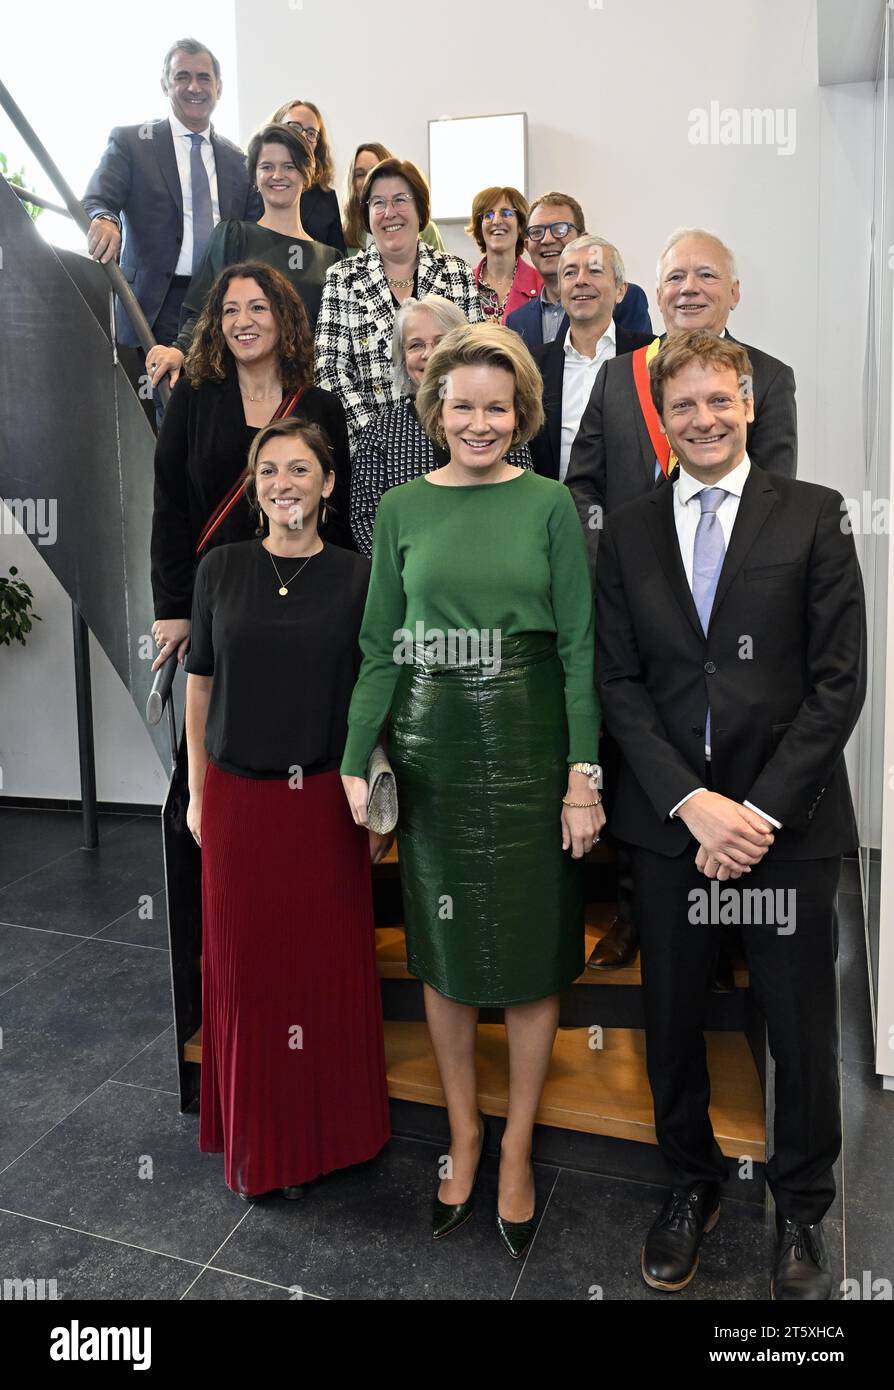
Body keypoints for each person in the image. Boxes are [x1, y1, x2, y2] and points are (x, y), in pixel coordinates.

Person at [595, 330, 865, 1299]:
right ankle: (690, 1185)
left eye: (721, 400)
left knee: (801, 1030)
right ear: (661, 421)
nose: (704, 419)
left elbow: (840, 686)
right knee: (671, 1024)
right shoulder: (626, 530)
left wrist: (753, 811)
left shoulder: (816, 515)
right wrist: (694, 803)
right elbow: (619, 683)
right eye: (684, 406)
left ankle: (801, 1209)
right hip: (671, 825)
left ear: (749, 403)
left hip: (785, 828)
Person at [340, 322, 604, 1259]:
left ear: (521, 412)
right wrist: (352, 757)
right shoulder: (404, 508)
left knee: (533, 953)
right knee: (443, 954)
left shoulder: (549, 506)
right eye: (464, 405)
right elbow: (379, 647)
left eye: (498, 406)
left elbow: (579, 648)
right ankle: (463, 1132)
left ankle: (520, 1146)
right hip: (431, 747)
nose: (480, 421)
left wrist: (584, 775)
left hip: (535, 743)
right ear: (437, 409)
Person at [567, 227, 799, 974]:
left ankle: (731, 918)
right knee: (644, 759)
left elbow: (781, 496)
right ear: (654, 293)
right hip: (639, 615)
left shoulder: (771, 375)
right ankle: (640, 911)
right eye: (675, 278)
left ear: (735, 293)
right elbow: (584, 486)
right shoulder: (618, 376)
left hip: (734, 617)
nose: (689, 288)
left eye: (707, 276)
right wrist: (620, 568)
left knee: (730, 749)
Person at [184, 417, 391, 1198]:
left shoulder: (359, 576)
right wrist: (200, 794)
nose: (283, 484)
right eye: (268, 470)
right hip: (239, 802)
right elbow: (200, 687)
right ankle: (261, 1146)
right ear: (253, 486)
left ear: (328, 485)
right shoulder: (219, 570)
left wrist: (375, 804)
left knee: (323, 977)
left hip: (325, 809)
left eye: (300, 469)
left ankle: (329, 1140)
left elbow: (374, 697)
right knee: (250, 982)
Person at [150, 262, 351, 673]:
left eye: (258, 308)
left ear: (283, 316)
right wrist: (173, 606)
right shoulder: (193, 397)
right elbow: (169, 504)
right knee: (219, 723)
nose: (243, 321)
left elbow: (337, 511)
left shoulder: (322, 407)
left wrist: (345, 597)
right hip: (218, 598)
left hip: (304, 589)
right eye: (230, 310)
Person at [83, 38, 261, 359]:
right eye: (182, 76)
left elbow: (255, 232)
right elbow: (99, 197)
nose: (194, 86)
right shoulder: (132, 143)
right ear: (165, 84)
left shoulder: (240, 161)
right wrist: (106, 219)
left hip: (221, 301)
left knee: (211, 405)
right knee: (158, 406)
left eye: (204, 77)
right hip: (152, 304)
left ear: (218, 88)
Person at [147, 123, 341, 388]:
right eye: (266, 167)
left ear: (306, 174)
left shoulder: (331, 260)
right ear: (254, 177)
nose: (277, 175)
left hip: (302, 397)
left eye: (289, 166)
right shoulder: (231, 236)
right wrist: (179, 350)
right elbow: (201, 312)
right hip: (234, 390)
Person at [315, 157, 482, 447]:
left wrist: (451, 426)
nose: (389, 212)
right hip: (373, 449)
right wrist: (382, 438)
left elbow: (476, 358)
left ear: (421, 208)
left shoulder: (457, 272)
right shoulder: (342, 278)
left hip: (454, 441)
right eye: (378, 203)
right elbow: (330, 370)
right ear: (367, 215)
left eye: (400, 200)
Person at [351, 295, 533, 554]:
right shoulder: (380, 433)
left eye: (440, 341)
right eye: (415, 345)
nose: (428, 354)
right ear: (402, 356)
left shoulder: (499, 421)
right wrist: (405, 572)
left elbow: (522, 499)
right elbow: (365, 519)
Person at [528, 236, 653, 480]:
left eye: (594, 271)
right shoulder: (534, 365)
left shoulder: (650, 355)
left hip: (631, 510)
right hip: (556, 509)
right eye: (570, 273)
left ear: (620, 290)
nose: (580, 281)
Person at [506, 192, 652, 347]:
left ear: (583, 239)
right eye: (536, 232)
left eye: (560, 229)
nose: (547, 239)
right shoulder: (516, 321)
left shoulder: (623, 299)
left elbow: (639, 363)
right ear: (527, 246)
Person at [270, 99, 346, 253]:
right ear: (275, 129)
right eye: (295, 127)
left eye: (311, 133)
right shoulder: (254, 187)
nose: (303, 136)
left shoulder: (326, 197)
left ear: (317, 145)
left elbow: (338, 259)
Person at [342, 143, 445, 256]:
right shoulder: (346, 233)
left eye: (374, 171)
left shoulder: (427, 230)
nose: (368, 178)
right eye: (360, 174)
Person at [466, 186, 542, 322]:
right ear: (480, 227)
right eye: (488, 215)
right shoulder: (462, 284)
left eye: (506, 213)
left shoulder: (541, 285)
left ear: (520, 225)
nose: (496, 221)